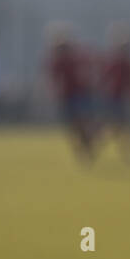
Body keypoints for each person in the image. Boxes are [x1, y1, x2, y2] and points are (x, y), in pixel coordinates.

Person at [45, 22, 96, 162]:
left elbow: (87, 71)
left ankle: (88, 143)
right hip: (66, 96)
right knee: (72, 126)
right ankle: (84, 146)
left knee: (84, 122)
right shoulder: (55, 59)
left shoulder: (77, 56)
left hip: (80, 94)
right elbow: (53, 78)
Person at [100, 21, 130, 163]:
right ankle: (127, 152)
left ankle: (128, 152)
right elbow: (104, 78)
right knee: (119, 126)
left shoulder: (129, 61)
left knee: (121, 126)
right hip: (113, 97)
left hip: (121, 97)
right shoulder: (114, 61)